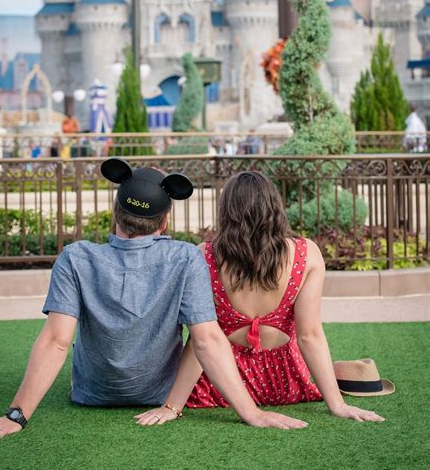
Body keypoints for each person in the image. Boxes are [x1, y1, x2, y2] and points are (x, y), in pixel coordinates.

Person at [0, 161, 308, 439]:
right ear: (164, 221)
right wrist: (252, 413)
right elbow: (206, 340)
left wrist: (16, 416)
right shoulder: (186, 258)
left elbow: (57, 342)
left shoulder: (75, 258)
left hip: (90, 395)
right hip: (159, 396)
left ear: (116, 213)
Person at [136, 171, 384, 427]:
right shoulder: (306, 254)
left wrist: (172, 405)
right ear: (274, 207)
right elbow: (309, 335)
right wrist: (338, 405)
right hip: (286, 385)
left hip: (221, 388)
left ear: (226, 211)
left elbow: (203, 340)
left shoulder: (205, 256)